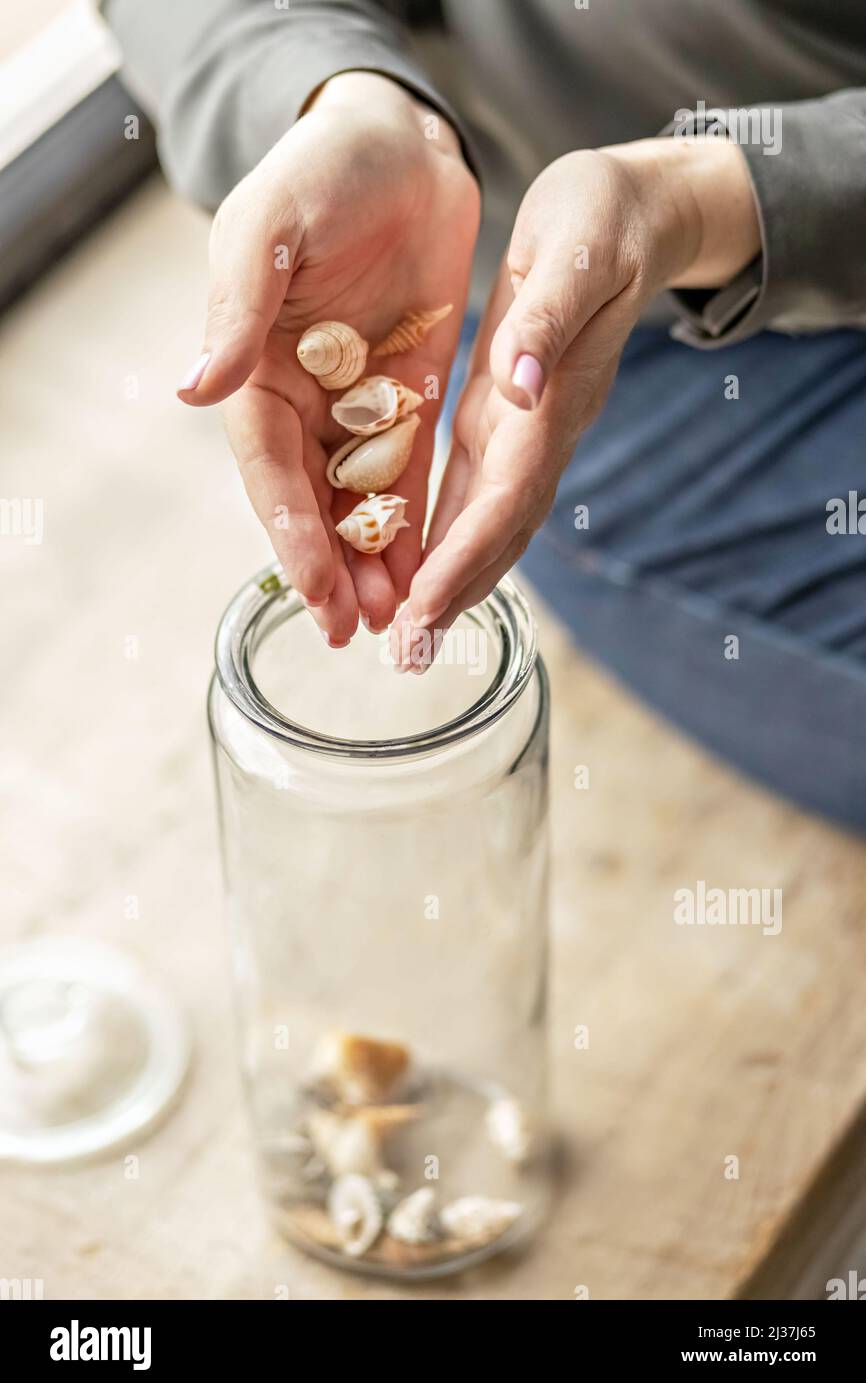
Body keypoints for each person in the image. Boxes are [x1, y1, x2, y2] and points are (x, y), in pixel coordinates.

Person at [102, 0, 866, 828]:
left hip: (772, 221)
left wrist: (710, 199)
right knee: (532, 486)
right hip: (528, 283)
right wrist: (331, 87)